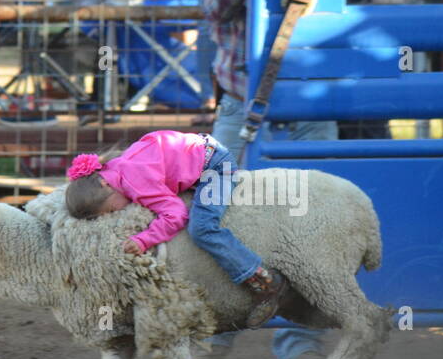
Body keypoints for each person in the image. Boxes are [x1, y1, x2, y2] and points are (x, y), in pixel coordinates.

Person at [195, 0, 332, 359]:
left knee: (308, 223)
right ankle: (216, 328)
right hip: (240, 106)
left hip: (306, 107)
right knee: (211, 217)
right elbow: (218, 8)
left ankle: (299, 341)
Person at [64, 129, 289, 327]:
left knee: (202, 228)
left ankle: (264, 280)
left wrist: (144, 239)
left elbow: (176, 214)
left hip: (215, 167)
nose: (114, 214)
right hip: (203, 150)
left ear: (105, 184)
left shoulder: (136, 183)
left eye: (110, 210)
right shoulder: (116, 168)